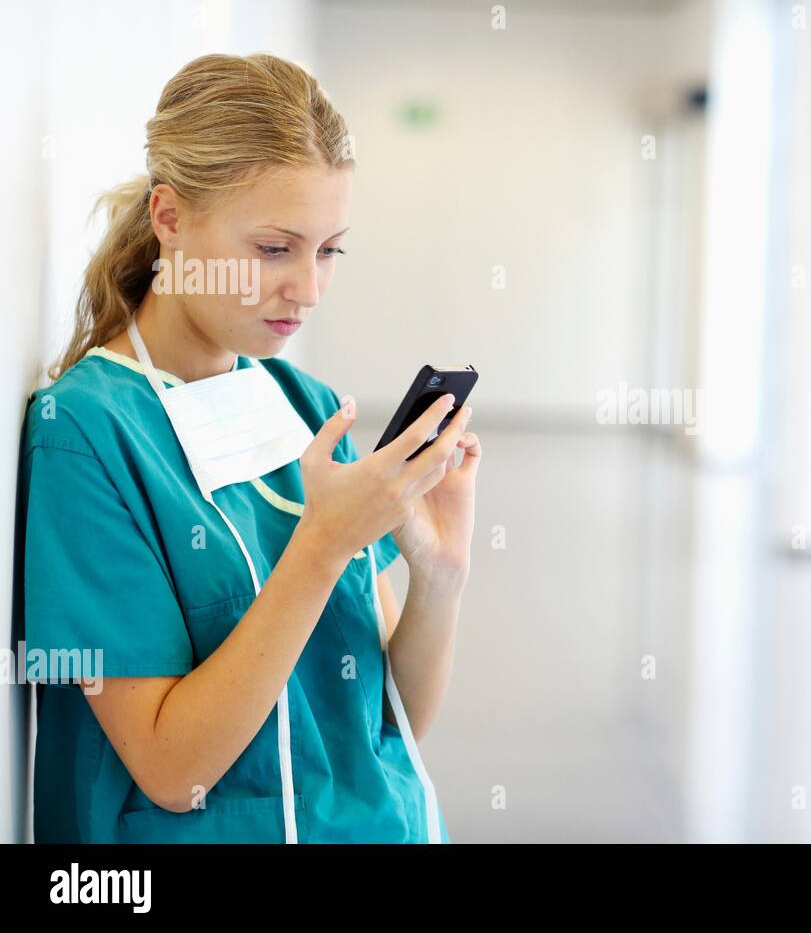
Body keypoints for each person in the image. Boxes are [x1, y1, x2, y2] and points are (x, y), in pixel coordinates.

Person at [20, 53, 481, 843]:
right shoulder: (86, 434)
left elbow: (395, 720)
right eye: (274, 249)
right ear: (169, 217)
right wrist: (323, 547)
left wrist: (441, 573)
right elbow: (173, 772)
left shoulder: (304, 406)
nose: (309, 287)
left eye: (330, 249)